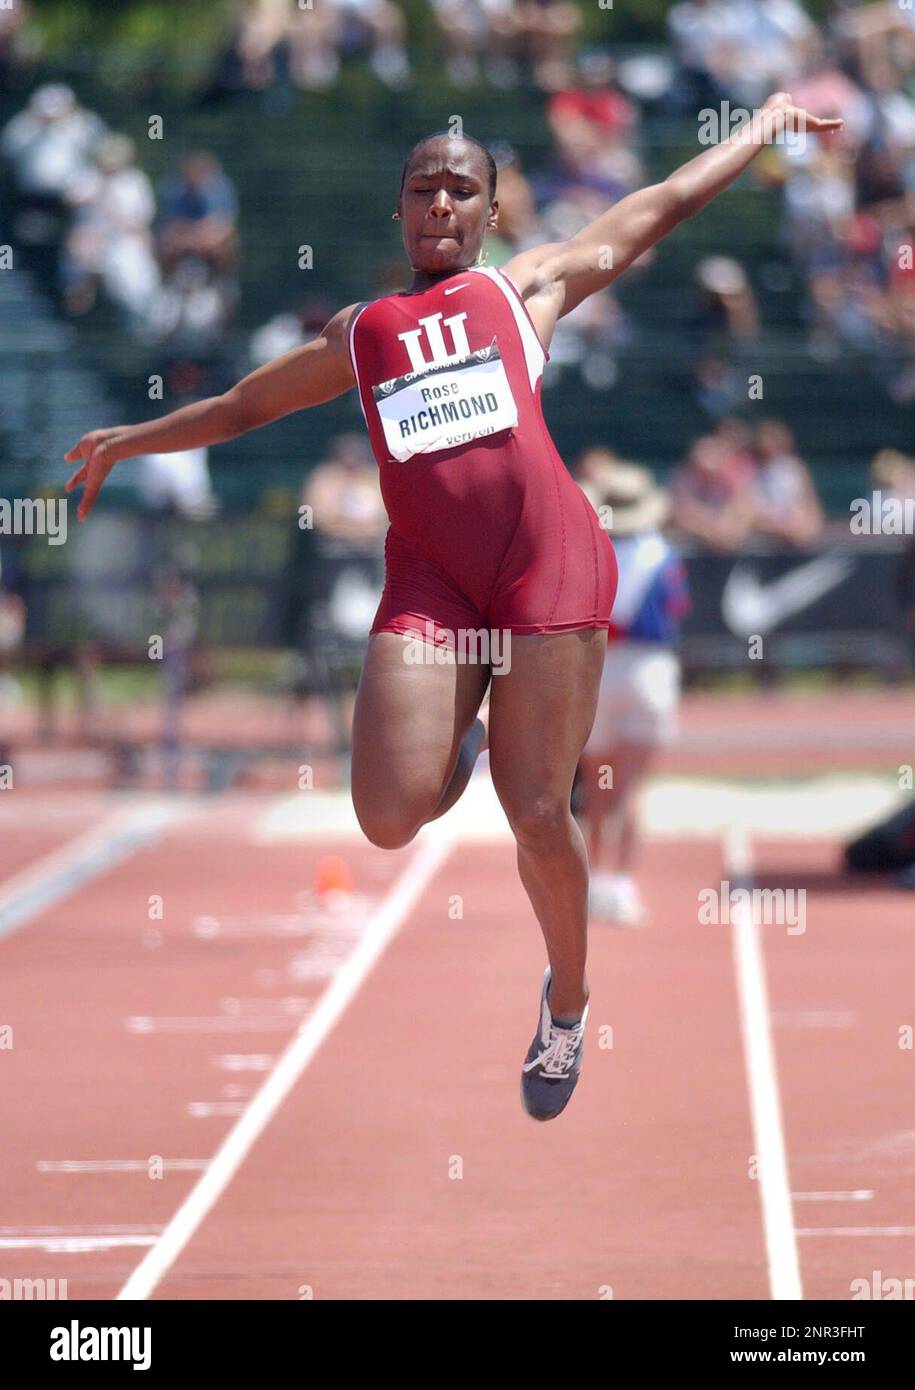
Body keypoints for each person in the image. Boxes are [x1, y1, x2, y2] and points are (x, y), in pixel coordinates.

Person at [64, 93, 843, 1122]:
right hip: (432, 579)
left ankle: (567, 1001)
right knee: (386, 817)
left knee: (536, 813)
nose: (440, 203)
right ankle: (457, 745)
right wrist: (131, 438)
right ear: (399, 211)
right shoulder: (365, 331)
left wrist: (767, 123)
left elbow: (660, 203)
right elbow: (246, 405)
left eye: (460, 189)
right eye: (423, 188)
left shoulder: (528, 291)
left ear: (488, 210)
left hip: (544, 565)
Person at [575, 459, 688, 927]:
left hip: (598, 664)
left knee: (596, 787)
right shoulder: (663, 554)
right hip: (647, 668)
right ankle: (621, 882)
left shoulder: (589, 550)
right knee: (631, 789)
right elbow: (676, 607)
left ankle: (593, 886)